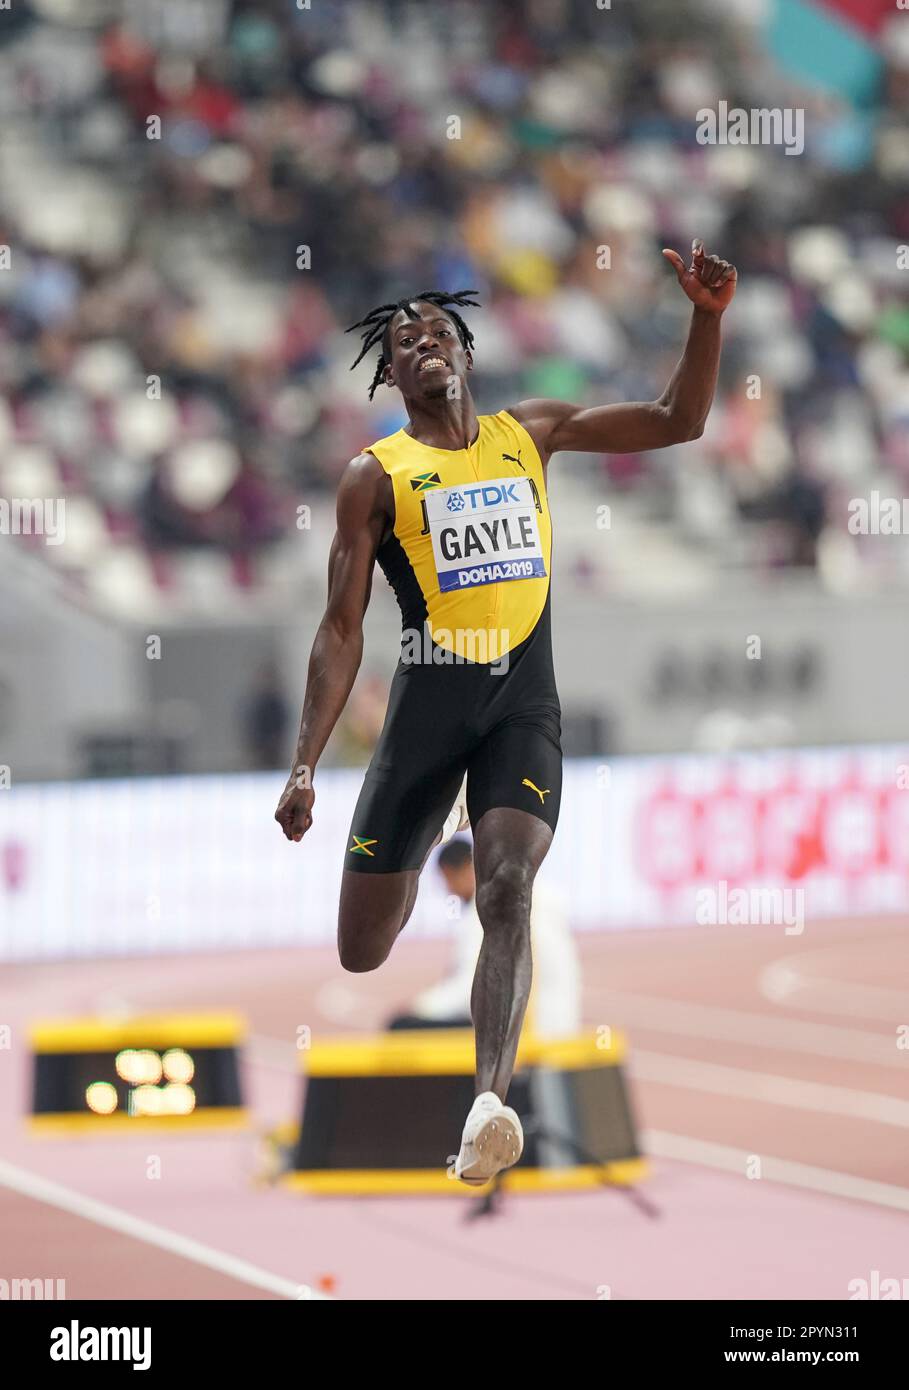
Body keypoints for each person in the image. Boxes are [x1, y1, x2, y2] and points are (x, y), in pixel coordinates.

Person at [275, 240, 736, 1183]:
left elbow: (676, 419)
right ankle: (422, 822)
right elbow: (338, 630)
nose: (424, 343)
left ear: (468, 354)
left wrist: (705, 315)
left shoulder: (531, 434)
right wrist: (305, 763)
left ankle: (490, 1102)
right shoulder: (377, 476)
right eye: (405, 342)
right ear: (390, 375)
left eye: (439, 330)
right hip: (425, 715)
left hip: (521, 707)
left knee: (506, 889)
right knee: (362, 950)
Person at [387, 837, 580, 1038]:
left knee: (402, 1027)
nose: (450, 890)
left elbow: (469, 988)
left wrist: (420, 1007)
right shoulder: (535, 895)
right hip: (559, 1025)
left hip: (521, 1034)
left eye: (450, 879)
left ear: (468, 868)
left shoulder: (488, 909)